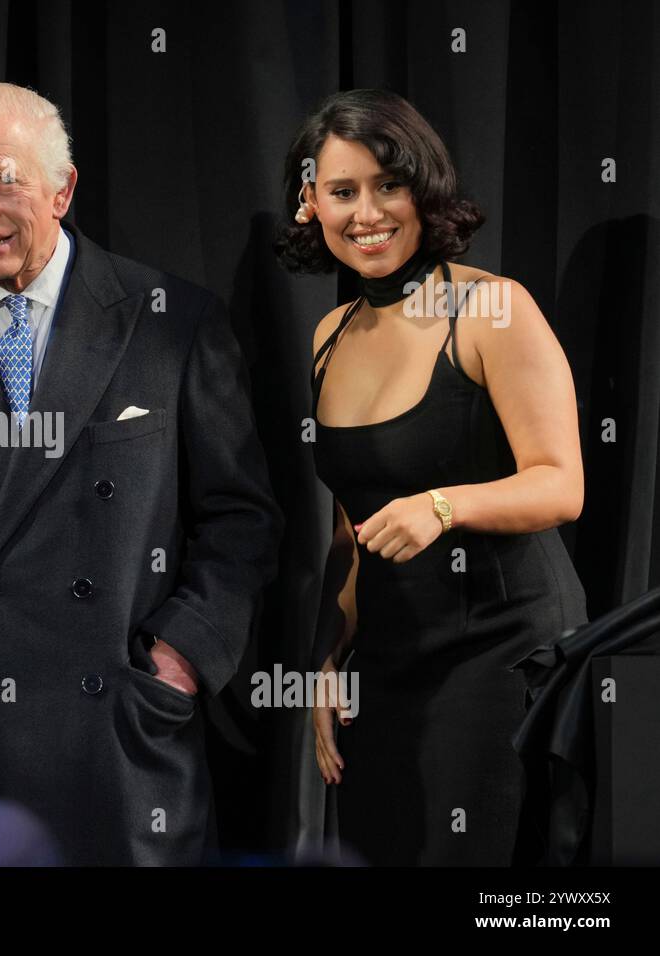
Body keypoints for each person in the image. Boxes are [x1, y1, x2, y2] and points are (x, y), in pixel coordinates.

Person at [0, 81, 281, 865]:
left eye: (5, 180)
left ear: (62, 189)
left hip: (120, 744)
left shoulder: (172, 322)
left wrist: (177, 661)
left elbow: (241, 520)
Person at [276, 89, 587, 865]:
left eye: (389, 184)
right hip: (385, 661)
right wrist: (325, 660)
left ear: (425, 188)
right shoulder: (328, 335)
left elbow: (560, 485)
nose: (368, 211)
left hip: (498, 650)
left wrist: (443, 507)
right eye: (342, 192)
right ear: (310, 203)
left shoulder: (492, 310)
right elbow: (352, 525)